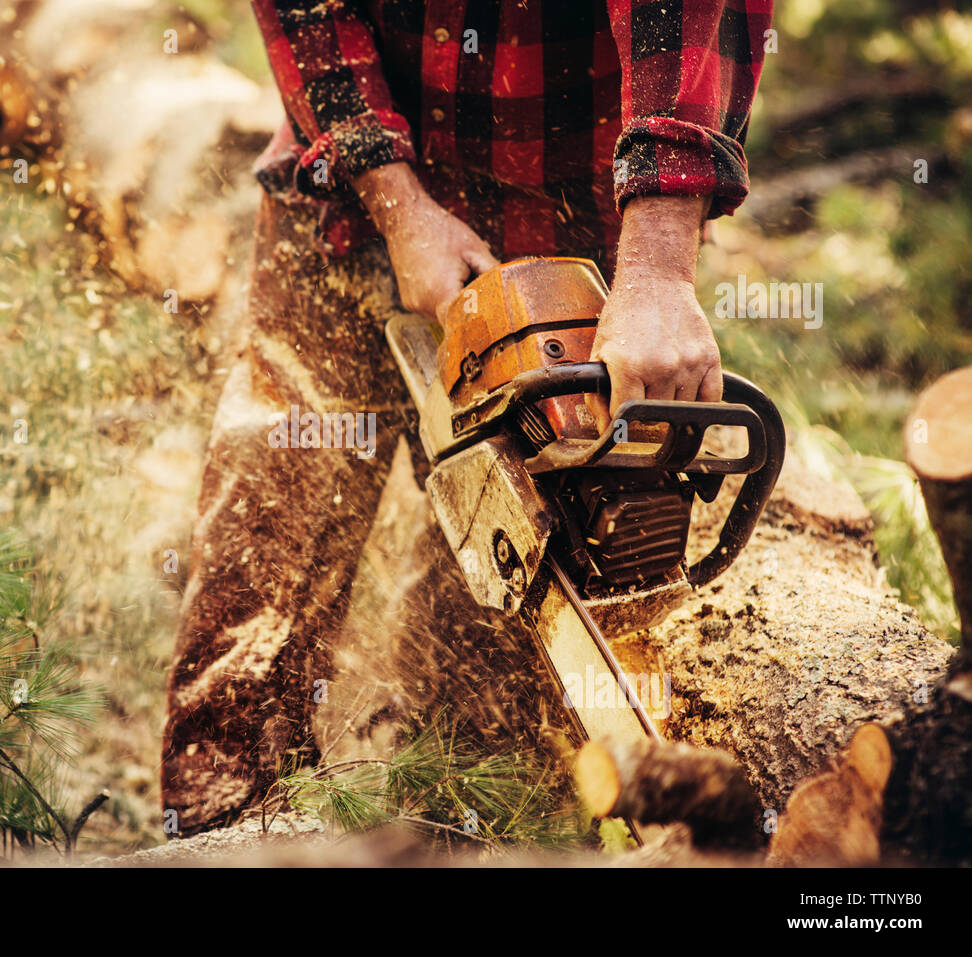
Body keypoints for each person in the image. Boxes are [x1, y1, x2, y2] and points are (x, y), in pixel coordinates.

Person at [161, 0, 773, 834]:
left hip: (576, 207)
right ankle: (219, 832)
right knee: (268, 537)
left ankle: (452, 832)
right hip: (349, 183)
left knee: (506, 622)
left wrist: (659, 262)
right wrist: (398, 203)